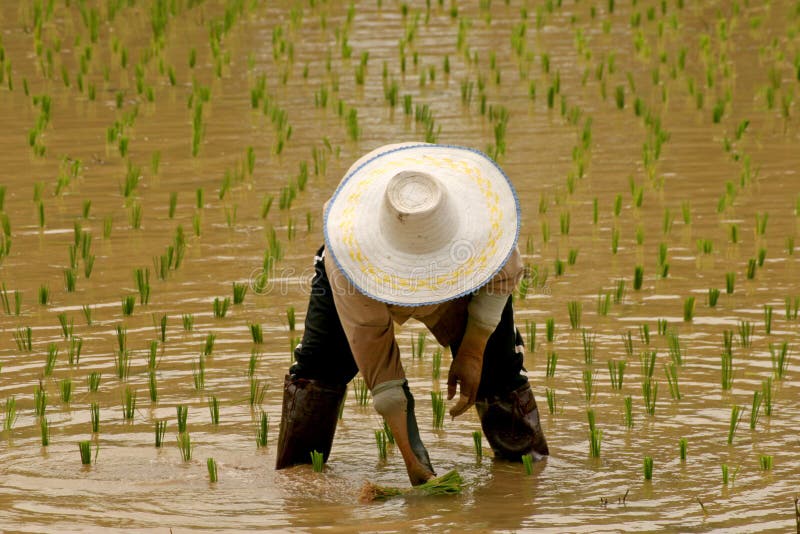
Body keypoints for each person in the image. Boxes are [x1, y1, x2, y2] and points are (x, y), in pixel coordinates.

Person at [275, 143, 548, 485]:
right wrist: (415, 462)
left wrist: (473, 351)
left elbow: (502, 279)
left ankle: (526, 473)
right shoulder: (350, 263)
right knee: (318, 370)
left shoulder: (485, 231)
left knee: (498, 370)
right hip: (365, 273)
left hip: (461, 280)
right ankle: (299, 480)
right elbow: (382, 373)